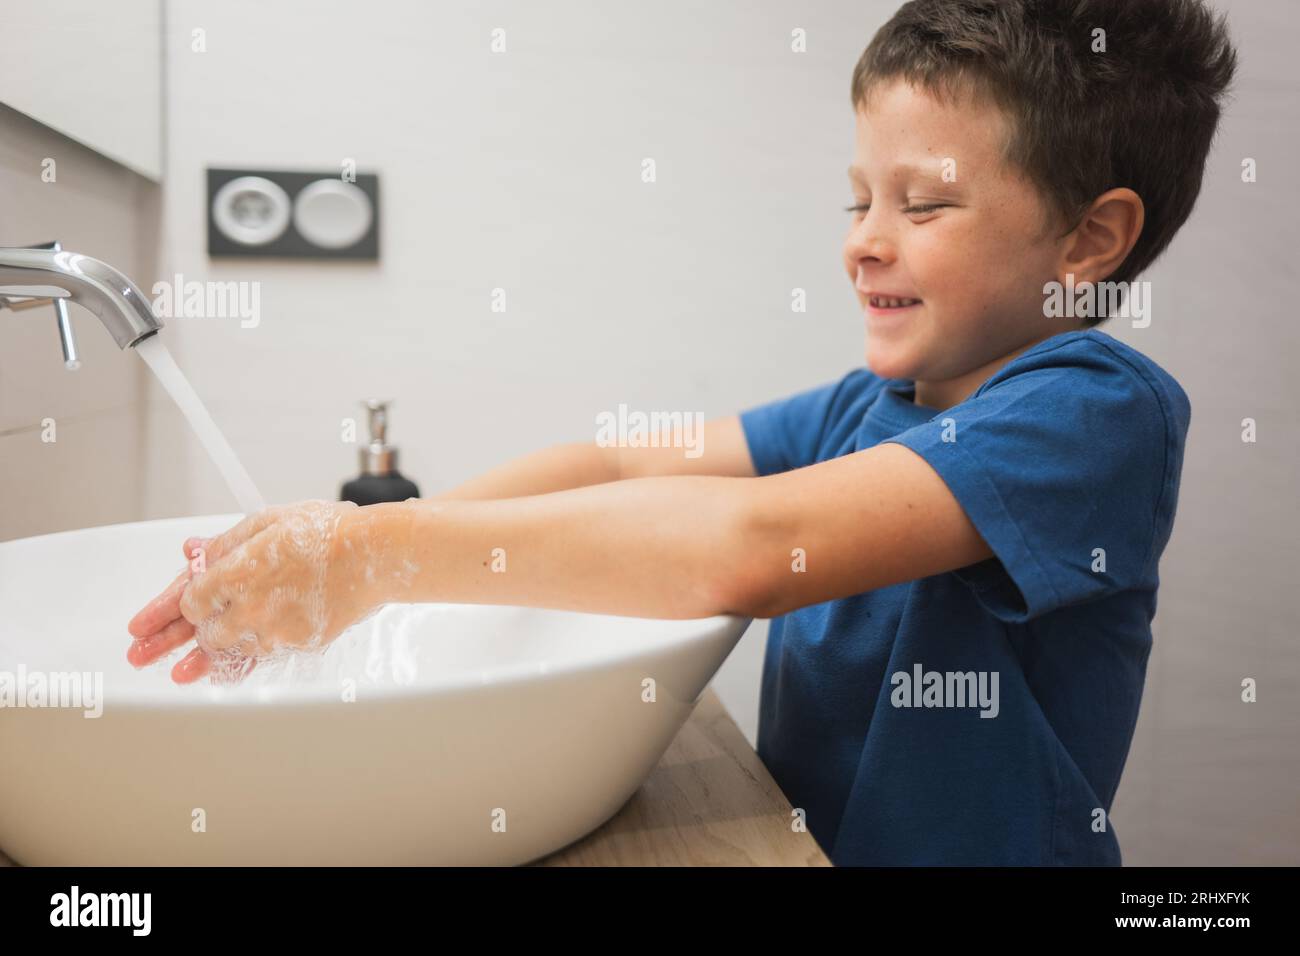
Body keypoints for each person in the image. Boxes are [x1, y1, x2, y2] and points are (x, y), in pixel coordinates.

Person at [128, 0, 1236, 865]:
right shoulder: (869, 408)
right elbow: (616, 461)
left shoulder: (1094, 411)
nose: (863, 242)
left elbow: (744, 547)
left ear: (1089, 240)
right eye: (858, 201)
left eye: (922, 205)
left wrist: (377, 559)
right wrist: (353, 538)